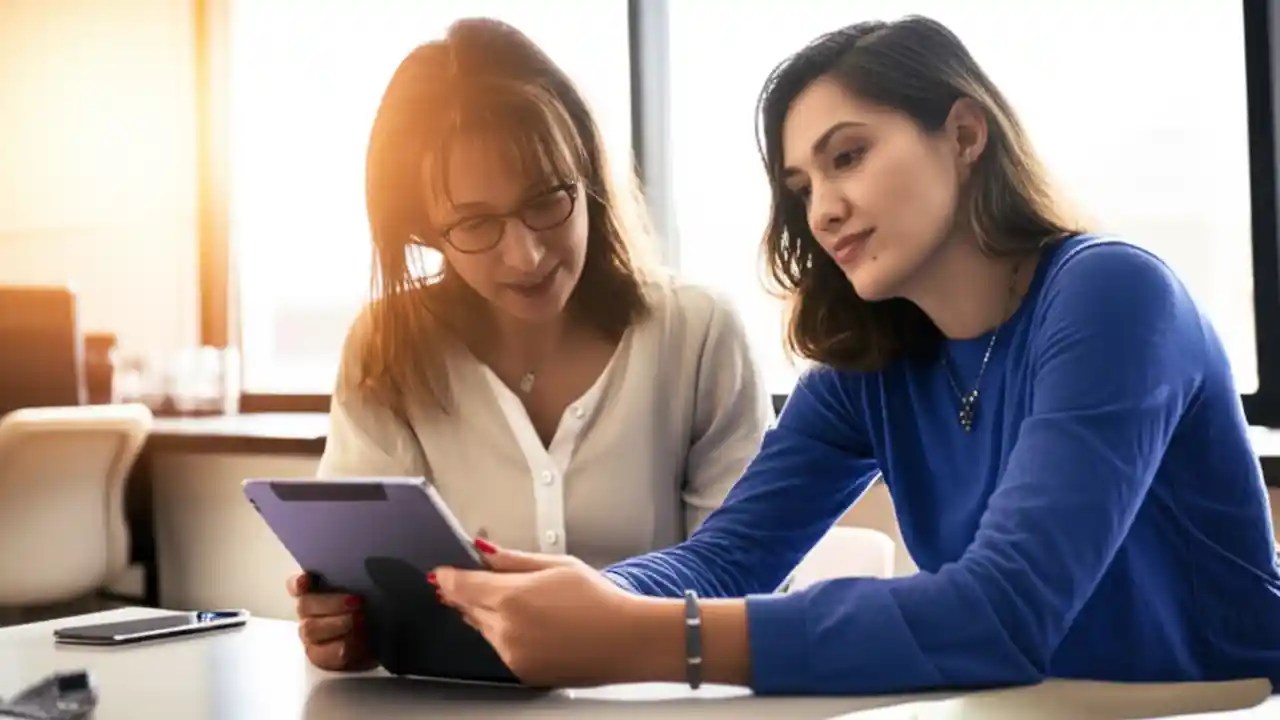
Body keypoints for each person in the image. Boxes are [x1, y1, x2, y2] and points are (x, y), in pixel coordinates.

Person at [432, 15, 1280, 694]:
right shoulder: (870, 365)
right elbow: (728, 557)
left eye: (848, 157)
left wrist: (657, 638)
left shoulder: (1113, 296)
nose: (823, 211)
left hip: (1223, 707)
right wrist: (546, 601)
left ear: (965, 133)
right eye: (801, 189)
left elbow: (1004, 613)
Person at [287, 18, 773, 672]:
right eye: (475, 224)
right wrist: (349, 626)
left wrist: (606, 628)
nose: (527, 255)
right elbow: (369, 592)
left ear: (586, 175)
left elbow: (744, 580)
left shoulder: (697, 333)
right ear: (424, 229)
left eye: (547, 200)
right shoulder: (388, 349)